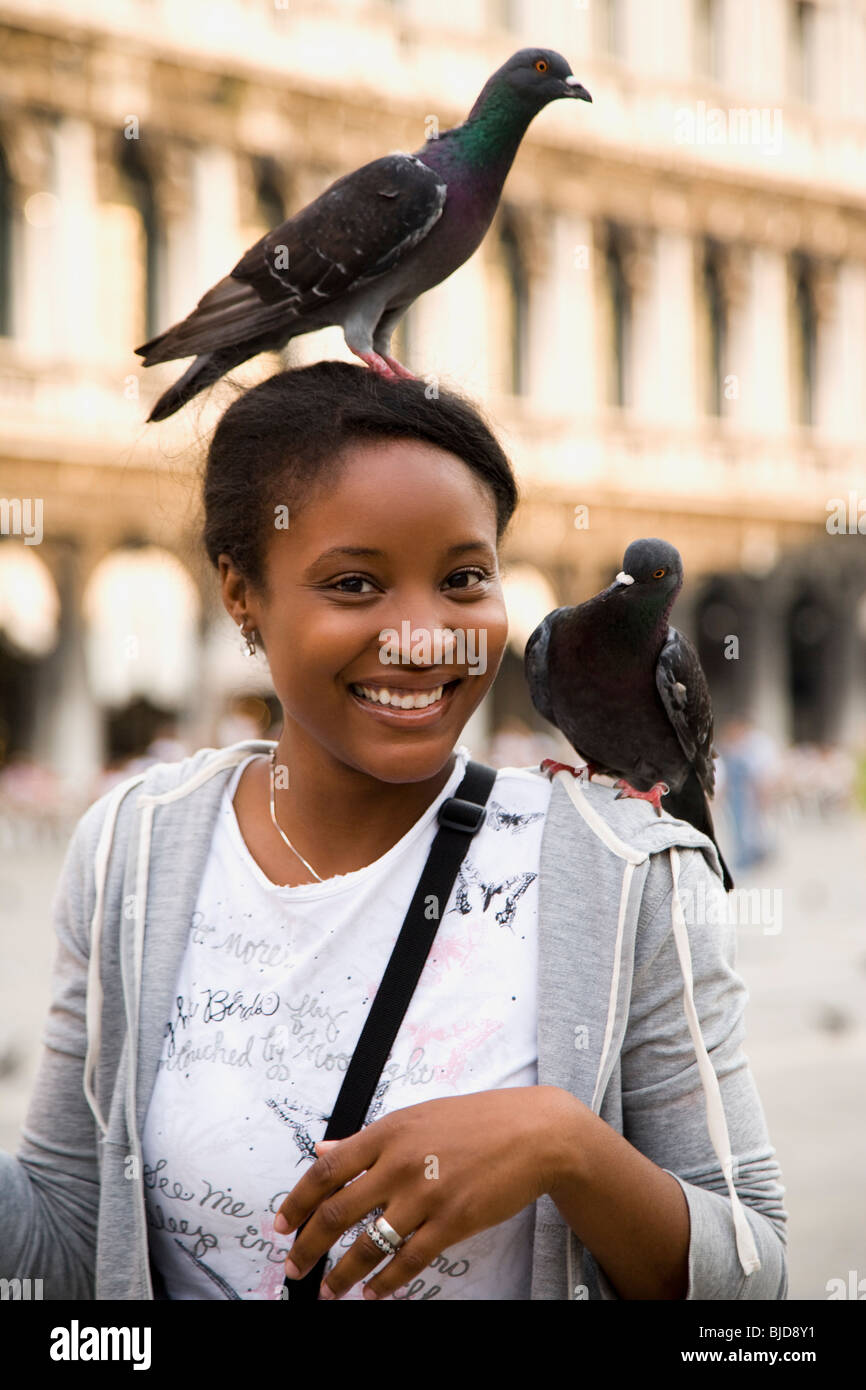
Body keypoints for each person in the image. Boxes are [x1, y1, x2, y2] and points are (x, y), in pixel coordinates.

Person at [0, 361, 787, 1300]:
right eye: (355, 584)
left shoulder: (625, 875)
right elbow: (64, 1243)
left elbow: (759, 1287)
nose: (423, 636)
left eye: (463, 578)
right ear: (240, 593)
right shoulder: (135, 847)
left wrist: (565, 1145)